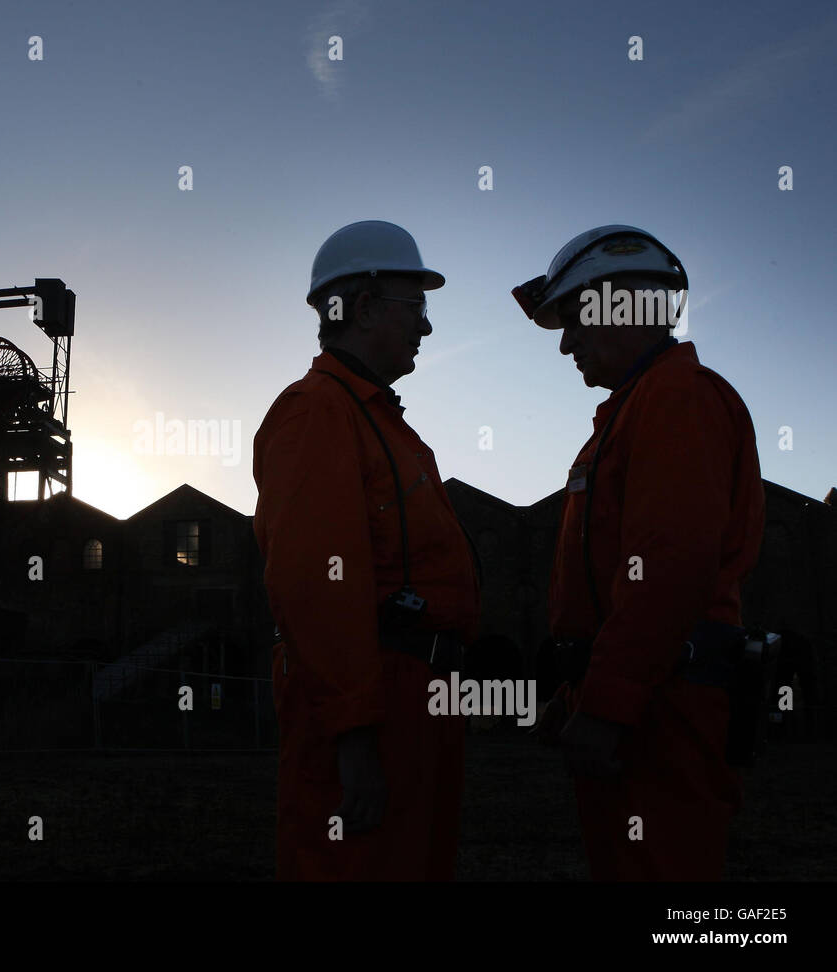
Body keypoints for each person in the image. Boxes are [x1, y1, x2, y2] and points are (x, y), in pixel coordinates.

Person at [514, 225, 766, 880]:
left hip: (661, 711)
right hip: (642, 701)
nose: (565, 343)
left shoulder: (675, 400)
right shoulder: (636, 409)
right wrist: (578, 694)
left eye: (572, 321)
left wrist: (606, 705)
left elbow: (667, 567)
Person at [253, 220, 480, 880]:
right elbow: (313, 582)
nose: (427, 328)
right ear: (370, 304)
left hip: (413, 701)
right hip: (375, 700)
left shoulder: (376, 420)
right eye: (418, 308)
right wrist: (353, 734)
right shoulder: (317, 411)